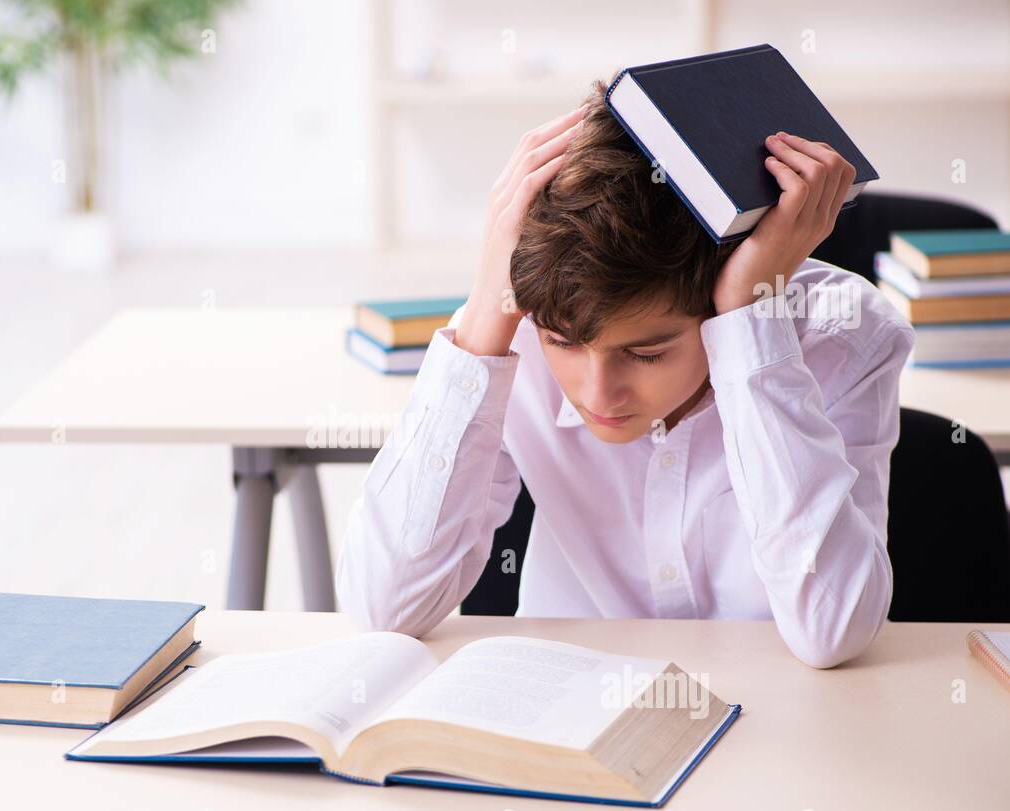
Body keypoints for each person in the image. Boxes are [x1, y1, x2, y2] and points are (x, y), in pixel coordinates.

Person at [335, 79, 916, 669]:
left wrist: (746, 318)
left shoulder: (844, 335)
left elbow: (833, 631)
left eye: (646, 353)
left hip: (780, 718)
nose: (596, 394)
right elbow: (385, 609)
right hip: (565, 708)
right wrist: (487, 306)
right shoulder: (516, 324)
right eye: (562, 342)